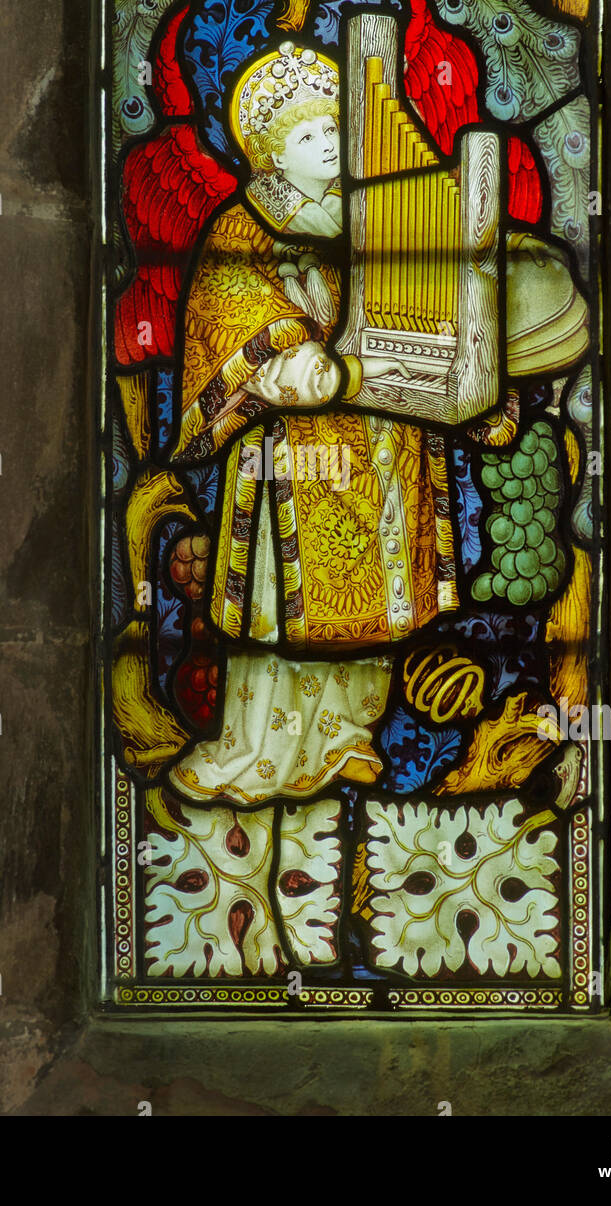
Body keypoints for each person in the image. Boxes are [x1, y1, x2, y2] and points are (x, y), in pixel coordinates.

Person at [167, 42, 458, 805]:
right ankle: (260, 753)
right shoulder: (243, 230)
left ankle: (346, 738)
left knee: (378, 610)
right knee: (282, 618)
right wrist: (306, 369)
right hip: (296, 459)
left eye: (334, 127)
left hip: (383, 449)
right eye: (305, 135)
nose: (327, 144)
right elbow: (234, 324)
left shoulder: (377, 215)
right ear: (266, 153)